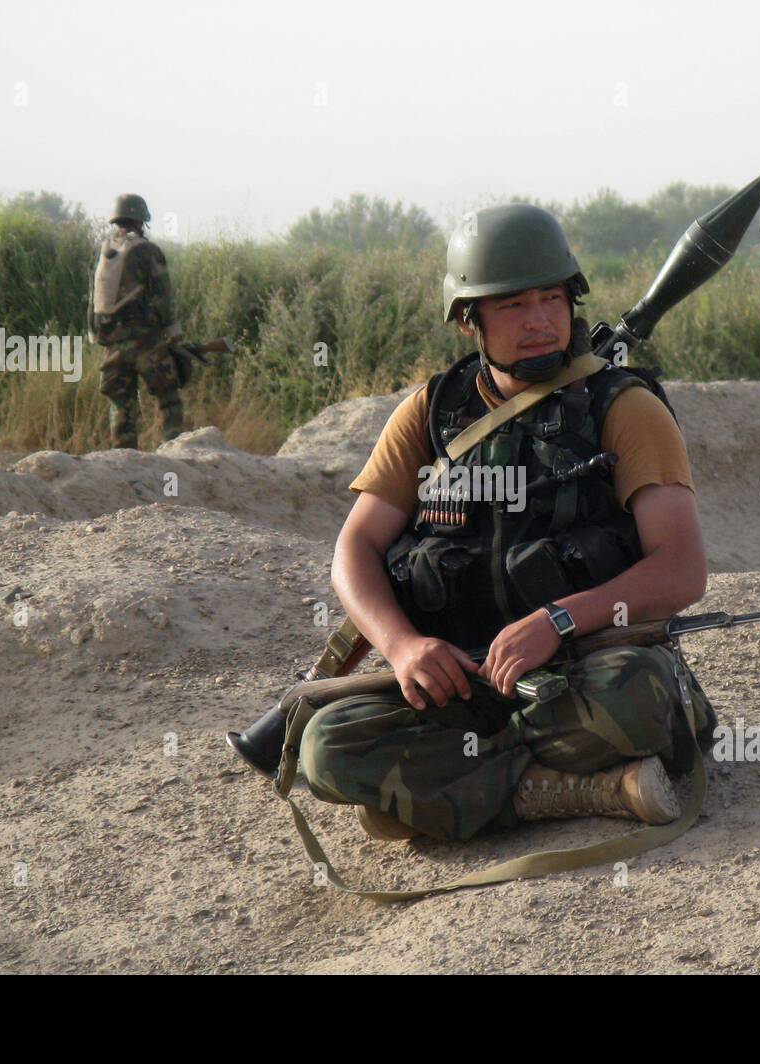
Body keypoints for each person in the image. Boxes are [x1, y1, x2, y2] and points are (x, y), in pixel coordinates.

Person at [296, 204, 714, 843]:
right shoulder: (430, 414)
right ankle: (569, 790)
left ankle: (439, 793)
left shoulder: (623, 407)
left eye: (553, 299)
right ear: (470, 320)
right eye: (515, 306)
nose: (542, 321)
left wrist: (560, 620)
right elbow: (354, 548)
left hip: (580, 668)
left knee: (633, 697)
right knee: (326, 745)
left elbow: (681, 567)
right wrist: (404, 647)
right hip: (461, 684)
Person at [87, 193, 184, 449]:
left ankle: (124, 461)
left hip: (113, 342)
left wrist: (98, 335)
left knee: (121, 403)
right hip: (144, 339)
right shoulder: (146, 250)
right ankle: (175, 454)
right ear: (141, 220)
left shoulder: (107, 251)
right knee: (168, 397)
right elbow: (162, 294)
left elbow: (94, 296)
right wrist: (172, 330)